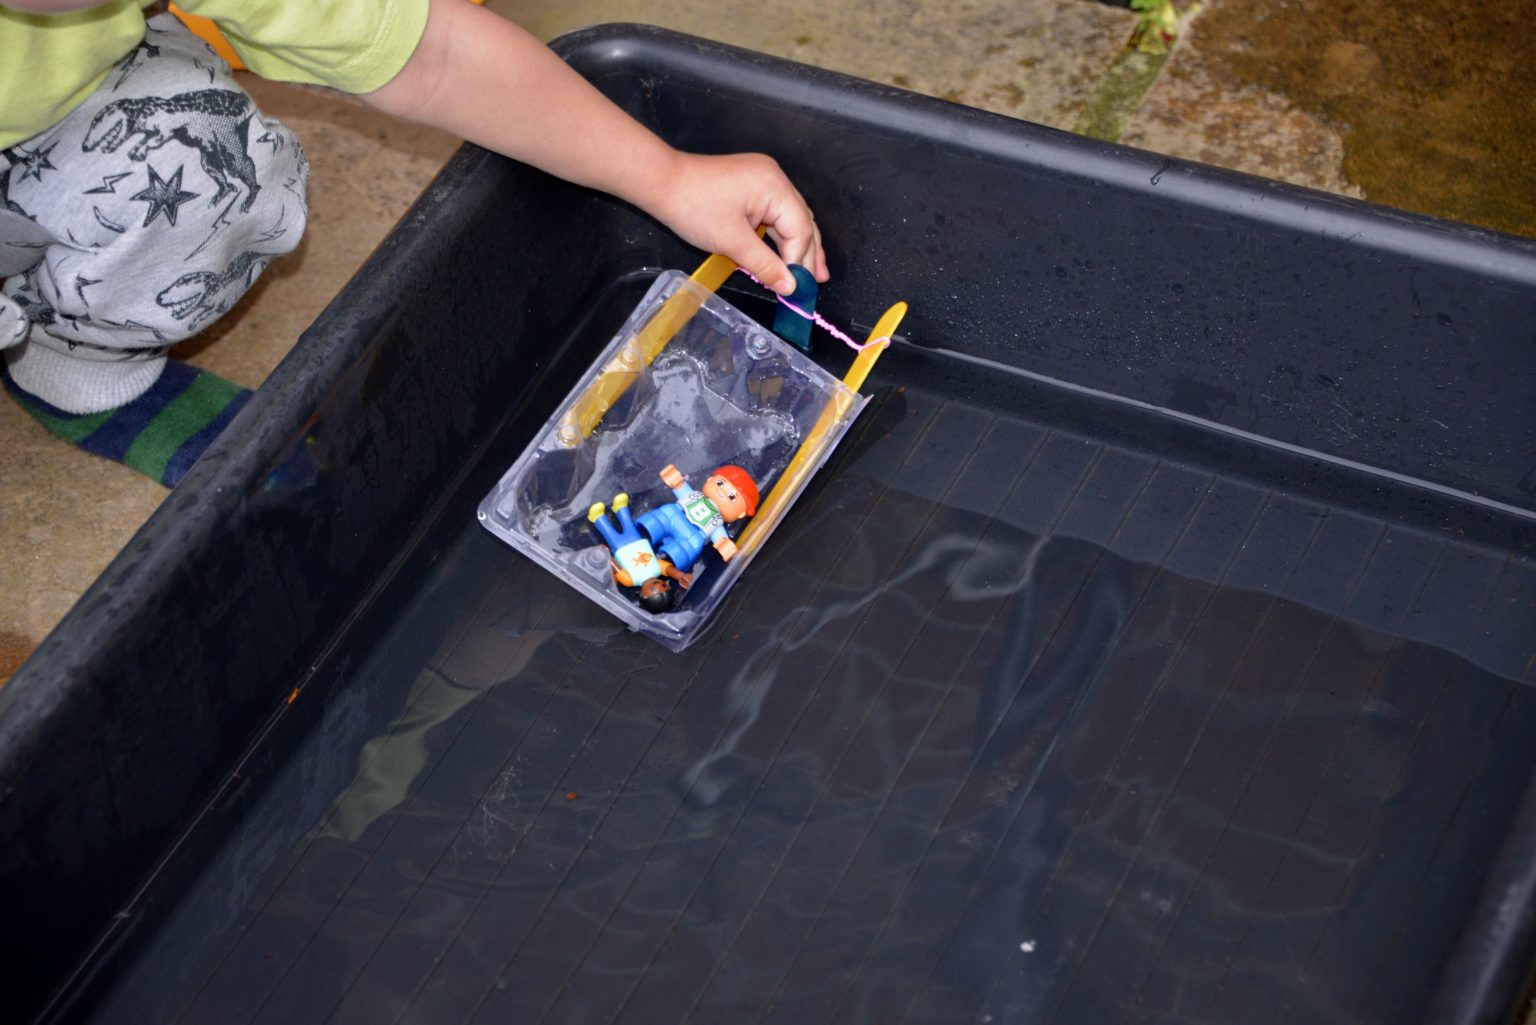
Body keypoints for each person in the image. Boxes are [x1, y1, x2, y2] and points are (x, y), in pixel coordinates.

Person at [0, 0, 830, 485]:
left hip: (56, 119)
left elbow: (430, 52)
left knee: (205, 162)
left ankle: (75, 358)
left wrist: (668, 177)